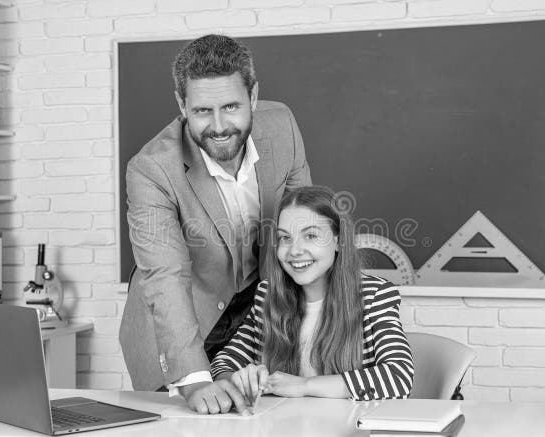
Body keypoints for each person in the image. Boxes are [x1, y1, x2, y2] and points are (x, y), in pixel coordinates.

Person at [119, 34, 311, 414]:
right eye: (203, 111)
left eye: (231, 107)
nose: (219, 126)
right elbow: (165, 273)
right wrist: (193, 378)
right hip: (182, 318)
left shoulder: (282, 127)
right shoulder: (151, 169)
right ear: (181, 104)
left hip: (257, 312)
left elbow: (303, 226)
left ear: (253, 97)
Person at [210, 186, 414, 405]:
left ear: (337, 240)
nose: (295, 250)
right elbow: (222, 363)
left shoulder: (374, 296)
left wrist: (303, 386)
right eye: (284, 238)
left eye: (310, 236)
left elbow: (399, 377)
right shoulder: (267, 296)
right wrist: (239, 380)